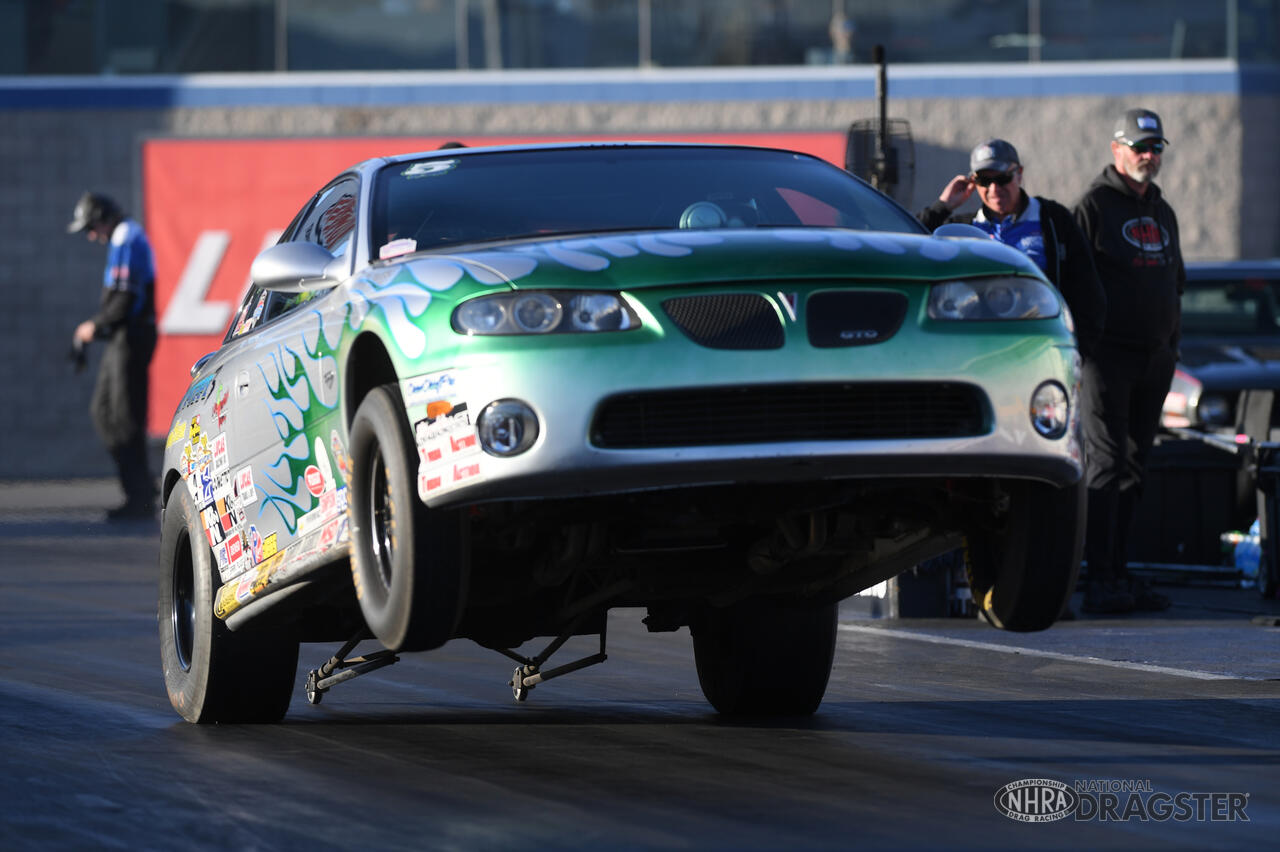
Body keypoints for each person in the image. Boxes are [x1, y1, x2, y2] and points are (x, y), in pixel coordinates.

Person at [1073, 109, 1184, 613]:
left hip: (1154, 359)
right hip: (1106, 358)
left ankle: (1119, 572)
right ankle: (1099, 578)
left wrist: (1171, 345)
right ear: (1116, 149)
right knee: (1107, 464)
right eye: (1139, 147)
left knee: (1137, 465)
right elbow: (1073, 281)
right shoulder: (1093, 207)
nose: (1148, 156)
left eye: (1155, 148)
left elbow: (1174, 282)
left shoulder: (1162, 210)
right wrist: (1087, 347)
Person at [918, 139, 1107, 358]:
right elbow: (903, 243)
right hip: (978, 353)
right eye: (983, 180)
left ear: (1019, 174)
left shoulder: (1054, 219)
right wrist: (943, 206)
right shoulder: (962, 227)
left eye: (1002, 178)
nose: (994, 189)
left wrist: (1076, 352)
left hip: (1040, 348)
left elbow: (1088, 292)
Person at [67, 192, 158, 521]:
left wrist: (96, 325)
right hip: (122, 336)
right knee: (105, 412)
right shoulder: (124, 236)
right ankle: (139, 490)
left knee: (123, 417)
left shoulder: (126, 237)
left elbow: (123, 299)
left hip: (131, 337)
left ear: (105, 217)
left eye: (92, 227)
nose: (92, 236)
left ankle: (141, 498)